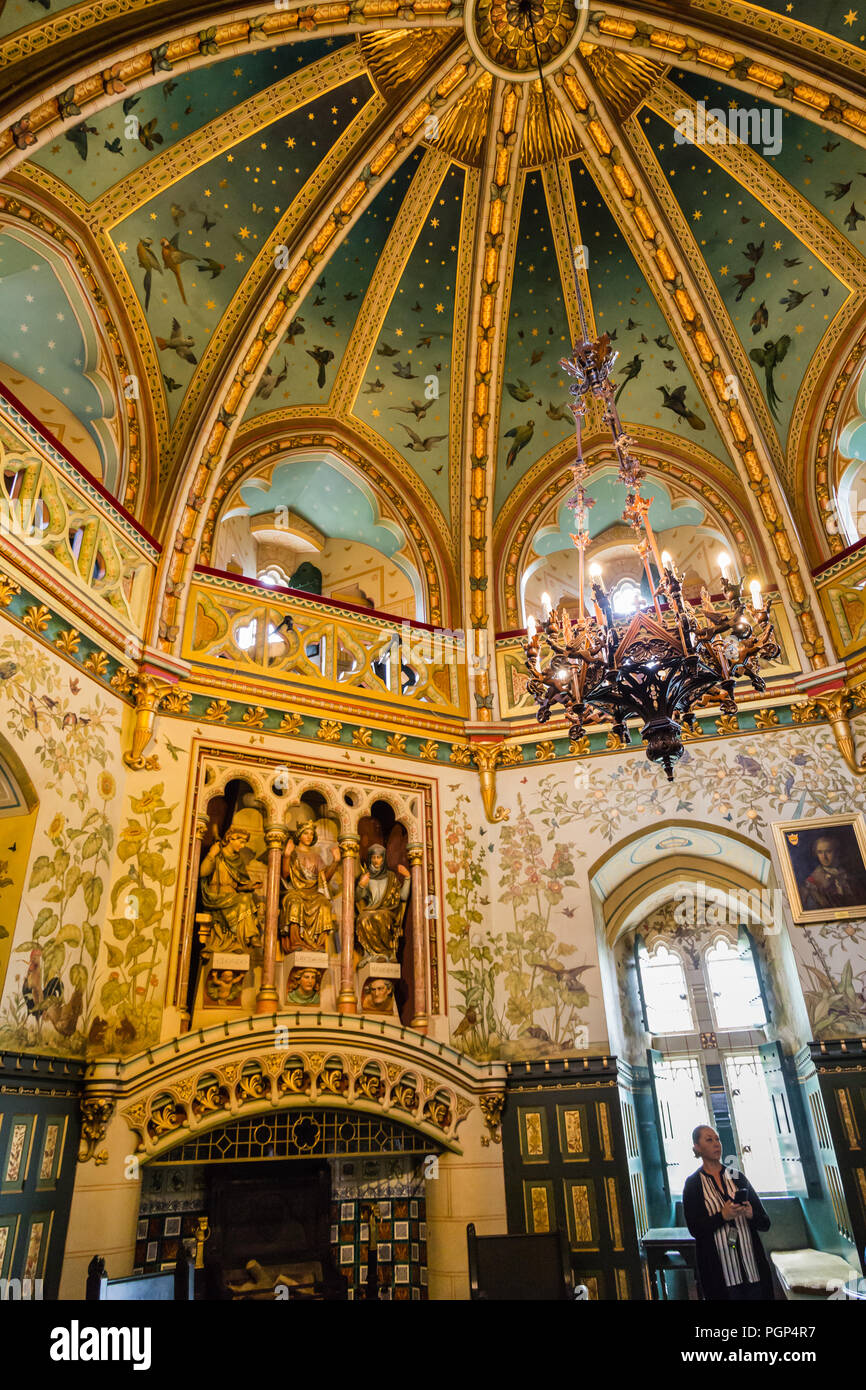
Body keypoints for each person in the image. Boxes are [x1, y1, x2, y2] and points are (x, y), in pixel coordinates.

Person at [682, 1125, 773, 1300]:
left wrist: (750, 1214)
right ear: (697, 1148)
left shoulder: (738, 1177)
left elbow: (765, 1222)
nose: (716, 1144)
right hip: (721, 1275)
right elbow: (695, 1229)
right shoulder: (693, 1184)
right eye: (709, 1140)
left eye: (717, 1139)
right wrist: (722, 1216)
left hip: (752, 1270)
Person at [198, 824, 263, 952]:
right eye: (242, 842)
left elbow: (238, 884)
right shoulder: (217, 853)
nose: (243, 846)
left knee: (246, 897)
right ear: (231, 838)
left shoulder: (237, 860)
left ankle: (238, 941)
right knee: (244, 900)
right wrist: (211, 855)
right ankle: (251, 935)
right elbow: (202, 873)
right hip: (215, 896)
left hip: (232, 896)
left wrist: (250, 885)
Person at [278, 822, 340, 952]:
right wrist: (287, 856)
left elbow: (324, 878)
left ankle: (319, 944)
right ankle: (295, 941)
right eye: (306, 833)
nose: (309, 836)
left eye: (312, 834)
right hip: (295, 891)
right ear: (299, 835)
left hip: (313, 893)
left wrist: (335, 861)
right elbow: (285, 875)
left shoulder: (316, 857)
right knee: (294, 902)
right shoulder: (293, 853)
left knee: (324, 904)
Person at [355, 844, 410, 960]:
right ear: (370, 858)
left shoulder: (391, 877)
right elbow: (357, 898)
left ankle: (386, 953)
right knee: (362, 919)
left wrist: (407, 878)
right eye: (373, 857)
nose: (376, 860)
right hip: (370, 910)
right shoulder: (366, 876)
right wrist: (361, 885)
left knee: (381, 916)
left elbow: (403, 897)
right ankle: (371, 954)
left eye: (378, 857)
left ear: (383, 859)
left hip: (388, 911)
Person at [801, 834, 866, 911]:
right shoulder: (811, 883)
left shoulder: (850, 877)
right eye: (820, 852)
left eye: (828, 851)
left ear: (837, 853)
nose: (824, 857)